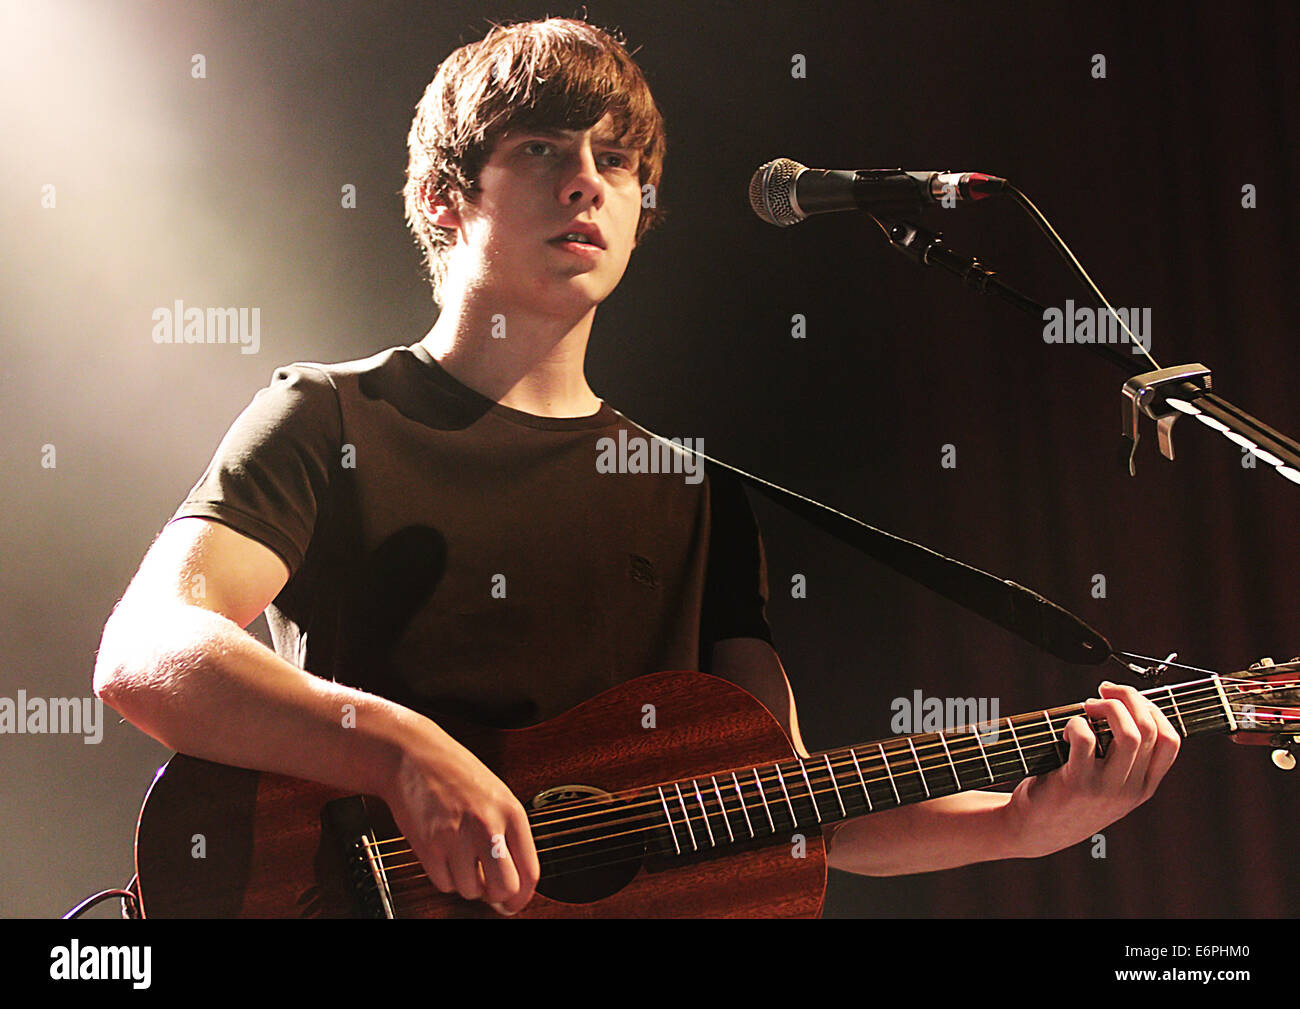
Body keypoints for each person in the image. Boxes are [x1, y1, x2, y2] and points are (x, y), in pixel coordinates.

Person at [92, 16, 1180, 918]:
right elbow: (146, 652)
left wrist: (1019, 823)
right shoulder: (325, 413)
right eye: (542, 150)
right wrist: (399, 751)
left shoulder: (693, 492)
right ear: (444, 197)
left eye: (616, 162)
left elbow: (782, 798)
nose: (588, 184)